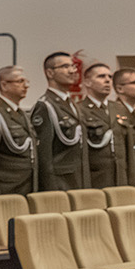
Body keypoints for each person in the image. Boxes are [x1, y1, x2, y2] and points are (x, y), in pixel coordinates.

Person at [33, 52, 89, 191]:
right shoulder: (45, 106)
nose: (72, 71)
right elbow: (44, 157)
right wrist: (50, 190)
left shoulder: (73, 105)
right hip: (59, 182)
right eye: (65, 66)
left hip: (77, 179)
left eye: (73, 66)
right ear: (50, 73)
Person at [76, 62, 127, 188]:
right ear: (87, 82)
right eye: (101, 77)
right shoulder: (79, 110)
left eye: (109, 77)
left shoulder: (119, 109)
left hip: (120, 177)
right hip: (96, 178)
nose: (107, 81)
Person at [0, 66, 37, 196]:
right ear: (4, 85)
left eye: (26, 82)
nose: (26, 86)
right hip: (7, 187)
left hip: (28, 185)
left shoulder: (23, 114)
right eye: (20, 81)